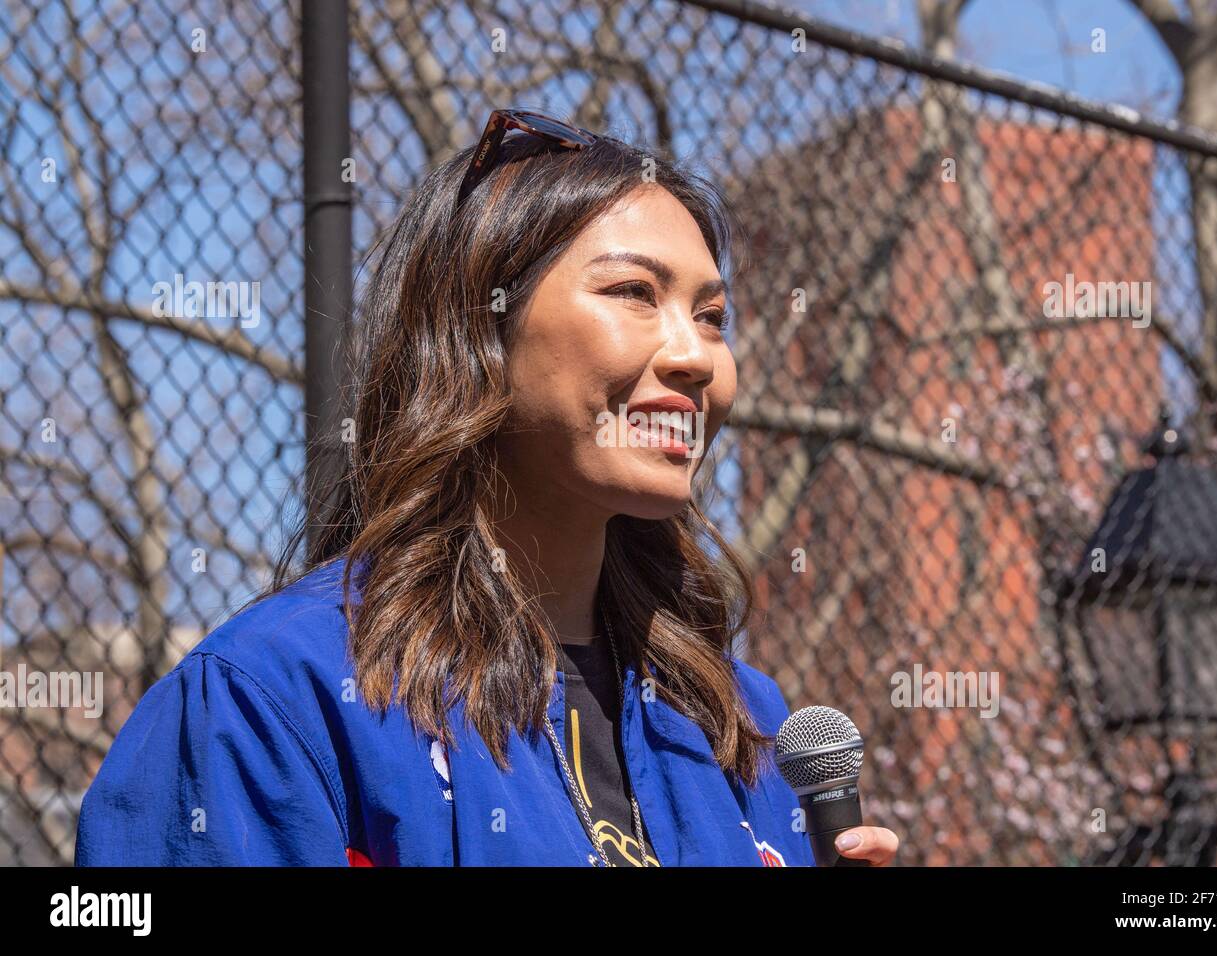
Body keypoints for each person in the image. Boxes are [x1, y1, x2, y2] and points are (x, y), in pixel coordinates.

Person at [74, 108, 900, 867]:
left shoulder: (740, 722)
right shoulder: (272, 700)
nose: (696, 356)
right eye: (634, 294)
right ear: (477, 331)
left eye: (713, 315)